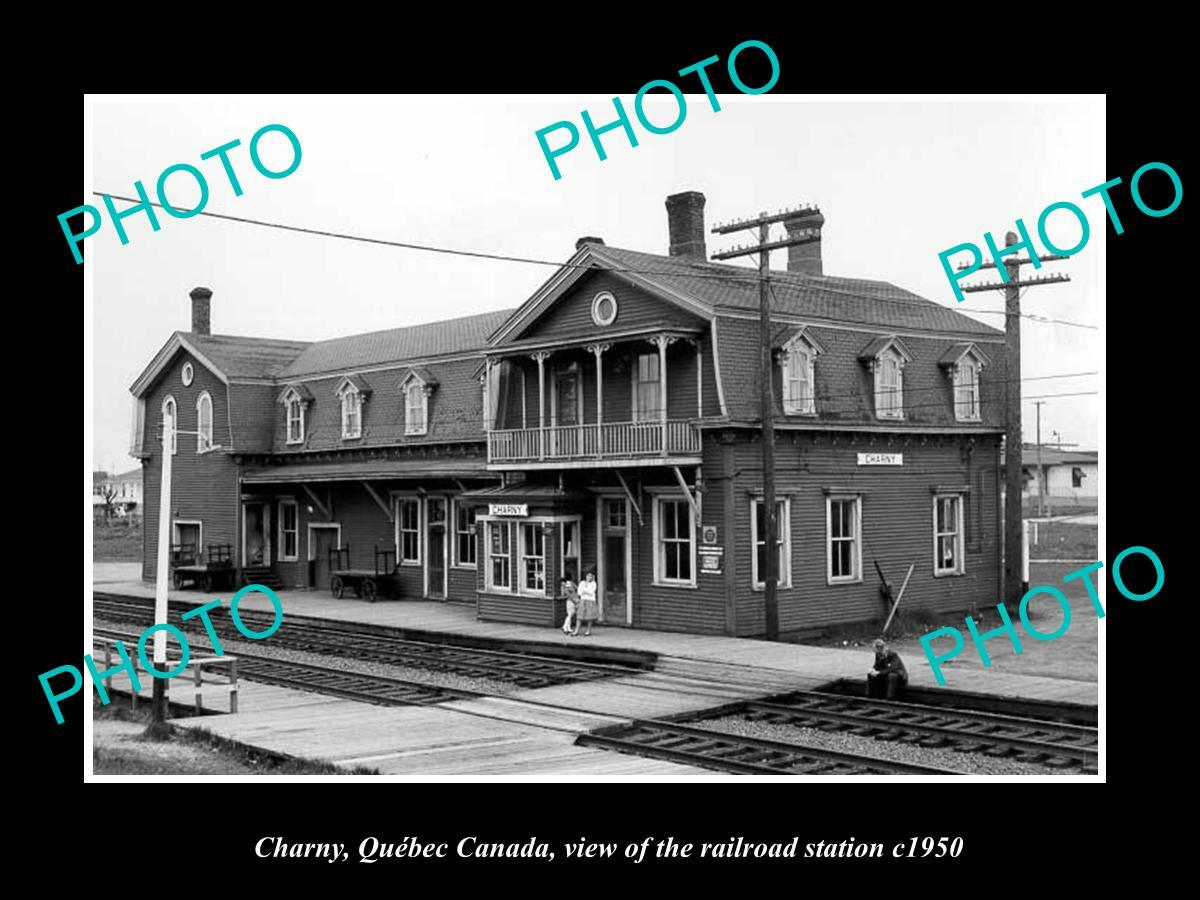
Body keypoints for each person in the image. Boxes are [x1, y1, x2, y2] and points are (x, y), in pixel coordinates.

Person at [575, 570, 599, 637]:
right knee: (579, 616)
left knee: (589, 616)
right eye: (588, 576)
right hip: (583, 600)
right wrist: (585, 591)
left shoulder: (594, 583)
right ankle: (576, 631)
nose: (589, 577)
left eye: (591, 576)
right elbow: (579, 592)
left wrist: (584, 590)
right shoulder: (582, 583)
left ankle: (588, 631)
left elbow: (591, 592)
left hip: (591, 600)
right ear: (586, 576)